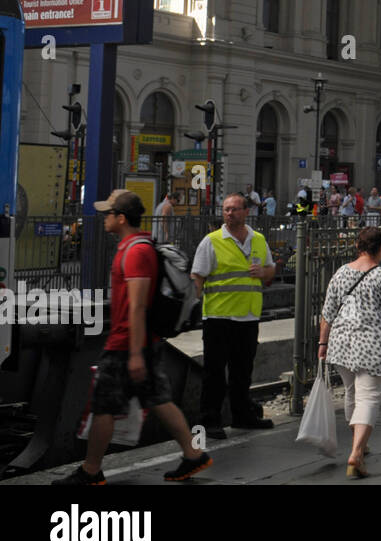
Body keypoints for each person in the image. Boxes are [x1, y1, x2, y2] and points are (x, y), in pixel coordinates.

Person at [54, 190, 212, 485]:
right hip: (140, 342)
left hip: (127, 345)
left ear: (121, 218)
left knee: (103, 406)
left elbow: (138, 304)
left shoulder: (136, 252)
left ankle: (91, 471)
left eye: (108, 213)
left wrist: (136, 353)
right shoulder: (136, 247)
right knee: (159, 399)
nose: (104, 218)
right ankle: (193, 455)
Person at [318, 227, 381, 478]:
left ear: (358, 247)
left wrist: (322, 344)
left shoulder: (340, 273)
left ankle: (358, 443)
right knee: (370, 396)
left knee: (352, 392)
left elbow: (327, 313)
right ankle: (356, 454)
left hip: (341, 343)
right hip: (373, 344)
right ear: (380, 249)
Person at [190, 193, 276, 439]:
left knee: (242, 371)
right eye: (226, 209)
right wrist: (192, 308)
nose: (229, 213)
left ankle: (242, 415)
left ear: (245, 211)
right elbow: (198, 276)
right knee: (214, 372)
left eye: (234, 209)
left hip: (248, 316)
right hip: (218, 317)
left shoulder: (258, 240)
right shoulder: (212, 241)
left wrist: (263, 272)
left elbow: (271, 271)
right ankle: (210, 421)